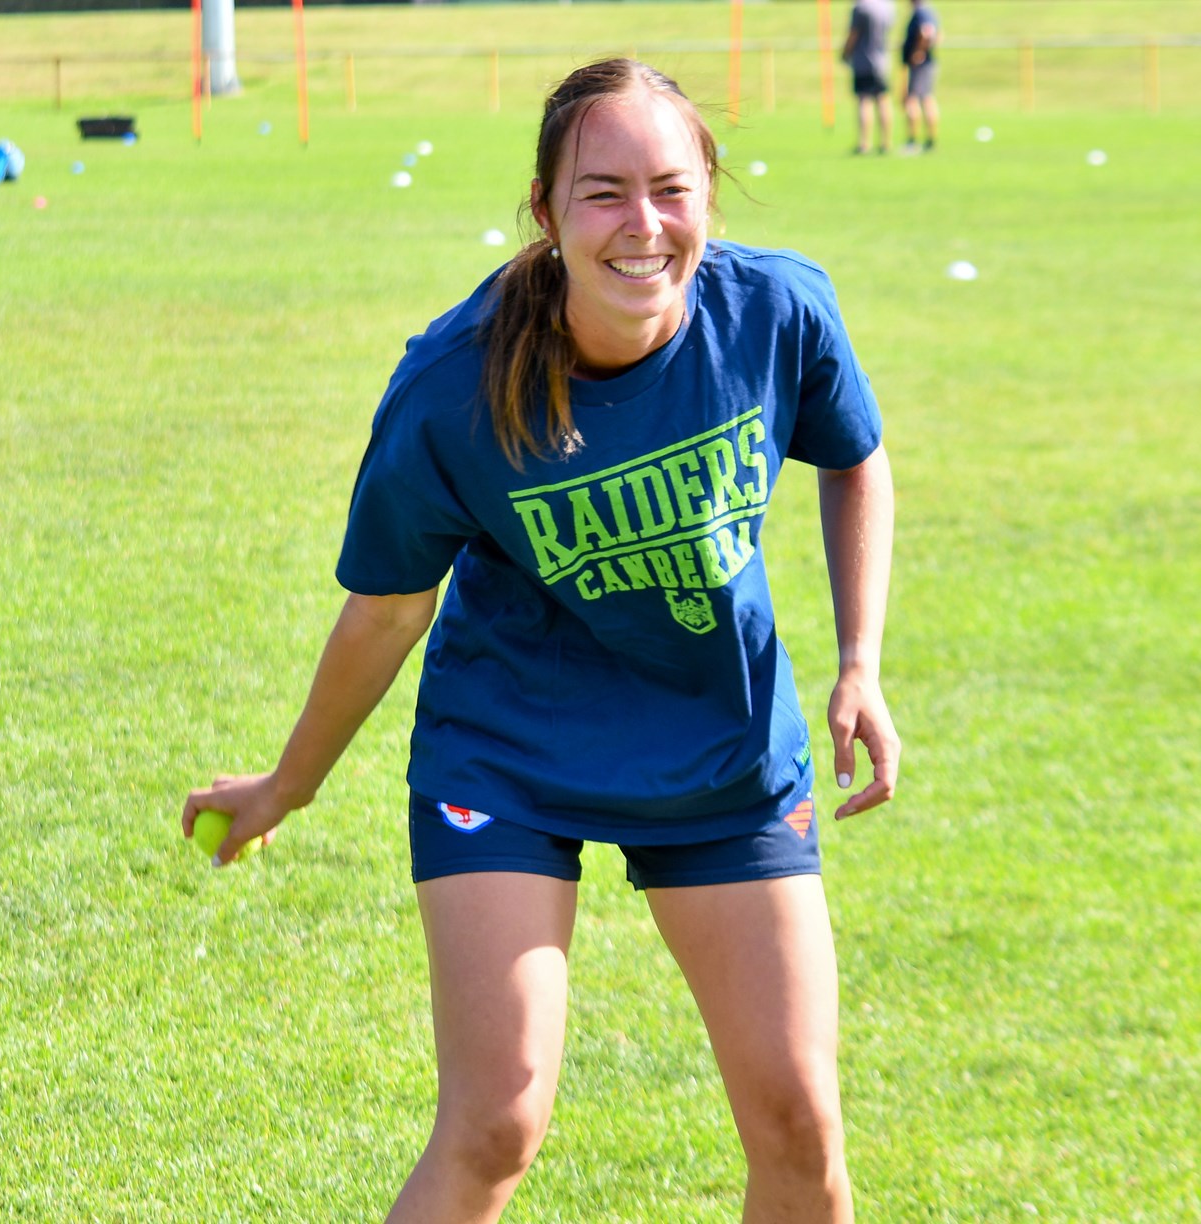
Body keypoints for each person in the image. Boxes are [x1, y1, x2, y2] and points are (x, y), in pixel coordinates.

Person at [183, 58, 899, 1224]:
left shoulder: (776, 311)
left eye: (671, 189)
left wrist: (860, 659)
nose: (643, 224)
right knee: (496, 1124)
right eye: (603, 192)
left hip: (721, 749)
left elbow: (854, 455)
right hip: (509, 753)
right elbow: (388, 608)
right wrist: (287, 785)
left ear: (710, 195)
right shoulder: (452, 389)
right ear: (546, 210)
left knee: (799, 1125)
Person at [840, 0, 896, 155]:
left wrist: (845, 53)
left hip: (863, 60)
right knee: (883, 100)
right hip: (882, 61)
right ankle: (886, 142)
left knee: (864, 100)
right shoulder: (887, 6)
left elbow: (854, 33)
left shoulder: (861, 7)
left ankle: (864, 144)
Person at [902, 0, 941, 152]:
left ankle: (913, 140)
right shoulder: (928, 11)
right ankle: (930, 140)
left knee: (914, 99)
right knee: (926, 98)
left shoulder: (921, 12)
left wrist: (919, 51)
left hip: (920, 65)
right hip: (925, 64)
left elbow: (927, 32)